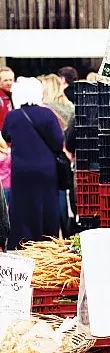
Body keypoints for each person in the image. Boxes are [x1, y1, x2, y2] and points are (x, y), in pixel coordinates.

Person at [1, 77, 64, 249]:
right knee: (47, 203)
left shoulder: (13, 116)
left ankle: (23, 242)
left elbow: (6, 135)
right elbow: (58, 141)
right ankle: (47, 240)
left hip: (21, 169)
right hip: (46, 168)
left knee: (22, 205)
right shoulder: (48, 114)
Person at [41, 74, 76, 238]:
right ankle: (66, 230)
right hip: (67, 157)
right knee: (65, 192)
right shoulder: (70, 107)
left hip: (50, 155)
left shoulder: (45, 108)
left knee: (53, 195)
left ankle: (54, 234)